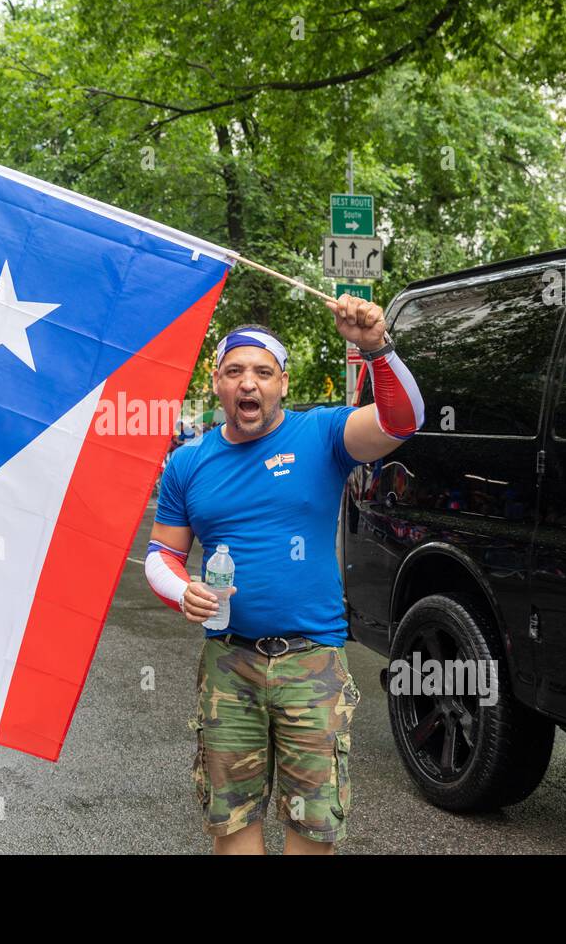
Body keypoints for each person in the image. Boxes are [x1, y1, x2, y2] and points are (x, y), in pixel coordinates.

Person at [144, 297, 425, 855]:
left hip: (311, 662)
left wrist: (376, 348)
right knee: (232, 822)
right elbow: (160, 554)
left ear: (282, 383)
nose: (249, 383)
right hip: (229, 664)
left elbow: (402, 420)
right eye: (235, 371)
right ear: (217, 382)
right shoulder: (188, 462)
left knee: (312, 826)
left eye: (262, 372)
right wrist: (183, 591)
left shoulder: (321, 435)